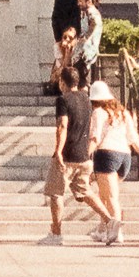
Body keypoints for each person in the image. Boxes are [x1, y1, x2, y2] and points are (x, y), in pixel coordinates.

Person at [45, 72, 100, 240]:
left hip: (68, 154)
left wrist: (58, 152)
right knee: (86, 192)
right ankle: (110, 219)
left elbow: (62, 126)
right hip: (83, 154)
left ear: (62, 82)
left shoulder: (63, 100)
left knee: (56, 193)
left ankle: (56, 233)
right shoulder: (86, 99)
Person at [86, 79, 138, 245]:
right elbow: (133, 137)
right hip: (125, 156)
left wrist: (86, 155)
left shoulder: (98, 113)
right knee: (104, 195)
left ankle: (117, 232)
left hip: (106, 155)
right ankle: (102, 229)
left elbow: (95, 136)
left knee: (111, 197)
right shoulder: (123, 113)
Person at [73, 0, 104, 80]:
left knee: (80, 77)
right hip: (84, 51)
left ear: (89, 1)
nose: (78, 3)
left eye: (81, 1)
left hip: (88, 51)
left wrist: (86, 37)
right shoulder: (86, 12)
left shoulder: (91, 12)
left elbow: (95, 23)